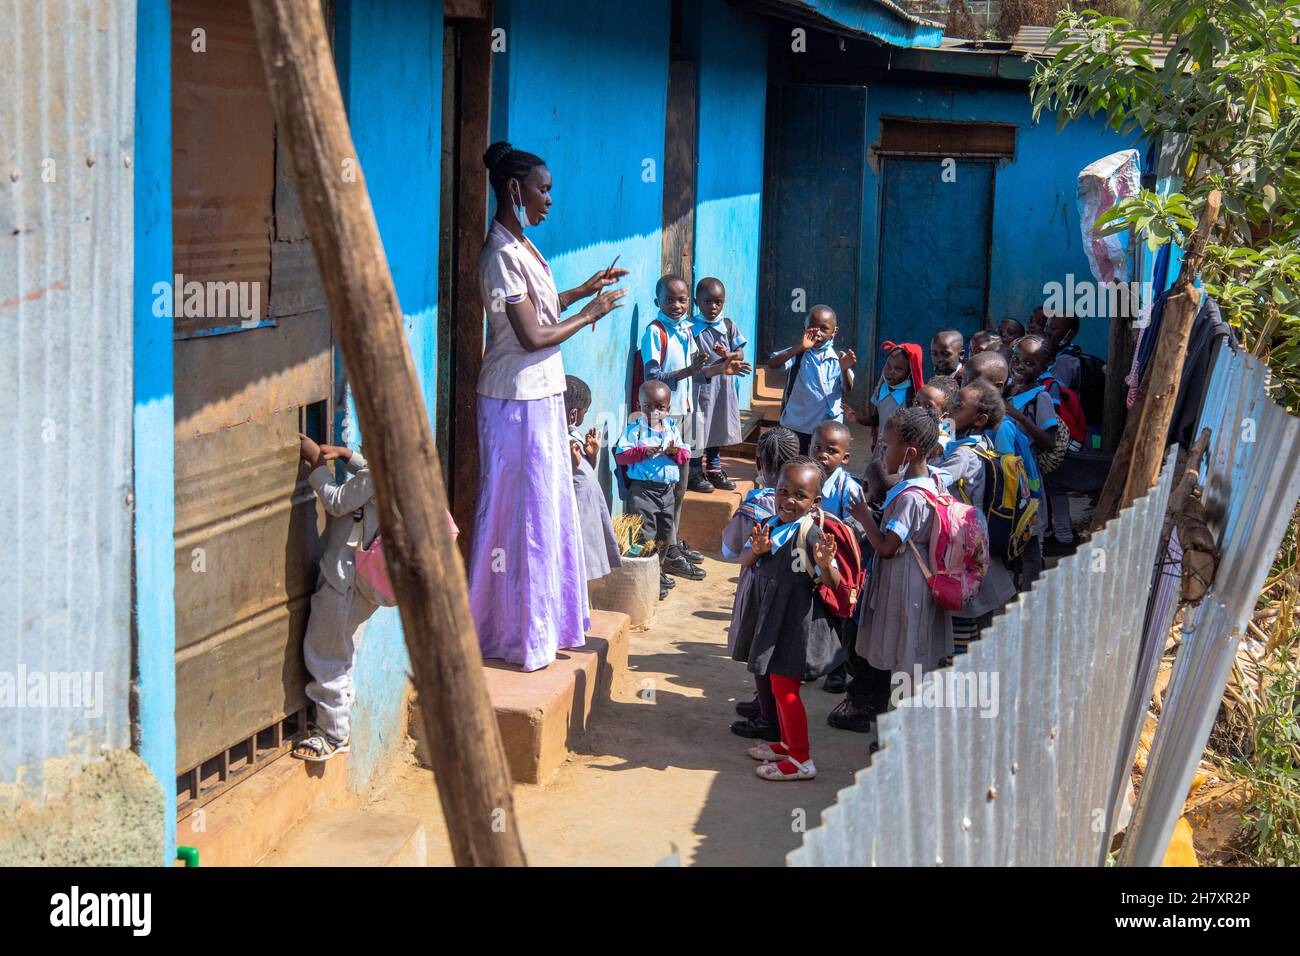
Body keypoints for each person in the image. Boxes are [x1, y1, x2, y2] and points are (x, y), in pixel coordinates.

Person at [470, 141, 626, 672]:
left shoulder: (523, 248)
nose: (550, 200)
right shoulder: (500, 255)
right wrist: (593, 314)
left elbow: (542, 310)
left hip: (537, 396)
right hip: (514, 400)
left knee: (542, 514)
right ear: (515, 190)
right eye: (544, 189)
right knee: (517, 520)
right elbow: (533, 335)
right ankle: (507, 634)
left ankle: (539, 628)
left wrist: (585, 290)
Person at [733, 458, 843, 781]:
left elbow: (833, 582)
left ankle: (800, 758)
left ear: (815, 502)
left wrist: (825, 563)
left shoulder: (811, 535)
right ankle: (785, 742)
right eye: (783, 491)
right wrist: (756, 550)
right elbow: (744, 560)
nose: (789, 501)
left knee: (786, 688)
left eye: (799, 495)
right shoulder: (772, 524)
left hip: (793, 621)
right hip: (771, 616)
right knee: (776, 683)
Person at [853, 407, 954, 716]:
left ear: (909, 452)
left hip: (905, 585)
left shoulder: (910, 498)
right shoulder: (934, 481)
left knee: (904, 655)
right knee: (911, 653)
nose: (881, 451)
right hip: (921, 578)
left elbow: (886, 546)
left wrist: (863, 515)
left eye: (886, 445)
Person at [293, 433, 381, 762]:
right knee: (338, 647)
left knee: (324, 651)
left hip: (345, 580)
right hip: (366, 584)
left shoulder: (381, 475)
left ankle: (332, 733)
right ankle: (337, 721)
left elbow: (337, 501)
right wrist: (347, 456)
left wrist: (316, 464)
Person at [726, 426, 801, 742]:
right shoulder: (804, 502)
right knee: (773, 650)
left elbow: (730, 548)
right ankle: (766, 704)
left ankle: (767, 717)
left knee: (758, 647)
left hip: (758, 585)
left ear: (758, 463)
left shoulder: (754, 506)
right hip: (790, 590)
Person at [938, 380, 1018, 651]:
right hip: (979, 542)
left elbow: (935, 481)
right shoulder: (982, 444)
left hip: (963, 547)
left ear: (980, 418)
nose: (950, 408)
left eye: (958, 406)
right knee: (976, 619)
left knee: (961, 617)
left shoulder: (963, 454)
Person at [641, 274, 708, 578]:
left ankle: (673, 543)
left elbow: (697, 371)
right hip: (666, 420)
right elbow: (653, 376)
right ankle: (667, 552)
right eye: (669, 299)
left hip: (687, 414)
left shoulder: (687, 330)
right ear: (658, 302)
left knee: (681, 487)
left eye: (682, 299)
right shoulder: (655, 332)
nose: (677, 305)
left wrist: (714, 366)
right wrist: (688, 371)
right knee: (668, 487)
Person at [827, 458, 898, 733]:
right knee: (879, 660)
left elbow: (845, 538)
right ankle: (877, 705)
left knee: (857, 655)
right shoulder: (894, 516)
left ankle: (856, 707)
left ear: (865, 486)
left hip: (860, 605)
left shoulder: (864, 518)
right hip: (885, 602)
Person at [615, 380, 693, 599]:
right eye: (648, 406)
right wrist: (642, 451)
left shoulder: (671, 430)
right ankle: (641, 579)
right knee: (642, 536)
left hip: (666, 492)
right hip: (643, 492)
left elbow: (685, 456)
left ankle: (656, 571)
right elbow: (621, 456)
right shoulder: (634, 431)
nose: (654, 412)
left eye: (660, 407)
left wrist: (674, 451)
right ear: (640, 406)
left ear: (668, 409)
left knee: (665, 535)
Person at [1005, 334, 1062, 589]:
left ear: (1045, 366)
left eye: (1029, 363)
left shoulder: (1042, 398)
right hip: (1006, 477)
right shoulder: (1007, 390)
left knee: (1030, 541)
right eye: (1016, 360)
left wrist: (1020, 417)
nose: (1019, 366)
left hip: (1027, 479)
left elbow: (1049, 440)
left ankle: (1030, 598)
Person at [690, 277, 751, 493]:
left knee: (717, 424)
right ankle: (695, 470)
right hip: (701, 387)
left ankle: (714, 468)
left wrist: (729, 354)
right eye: (707, 302)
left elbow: (740, 353)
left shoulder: (728, 325)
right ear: (697, 301)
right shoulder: (690, 327)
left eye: (718, 302)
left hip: (723, 387)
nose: (713, 307)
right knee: (699, 426)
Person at [767, 305, 856, 454]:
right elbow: (773, 363)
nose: (818, 333)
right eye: (812, 328)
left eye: (824, 328)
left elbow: (848, 388)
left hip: (826, 429)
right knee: (794, 464)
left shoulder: (839, 359)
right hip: (796, 425)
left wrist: (844, 369)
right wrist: (801, 347)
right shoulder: (799, 353)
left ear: (834, 331)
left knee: (820, 466)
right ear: (805, 327)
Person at [564, 375, 621, 584]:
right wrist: (572, 460)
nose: (584, 417)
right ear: (573, 414)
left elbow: (586, 469)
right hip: (576, 512)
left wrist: (592, 455)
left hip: (588, 507)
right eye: (584, 412)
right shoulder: (559, 440)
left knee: (587, 556)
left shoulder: (575, 435)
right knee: (577, 558)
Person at [856, 341, 922, 446]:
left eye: (898, 369)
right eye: (888, 366)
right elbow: (877, 419)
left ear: (910, 372)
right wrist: (856, 418)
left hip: (899, 451)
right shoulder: (882, 389)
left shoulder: (912, 398)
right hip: (881, 448)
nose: (891, 371)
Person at [914, 374, 959, 446]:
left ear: (944, 417)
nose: (918, 408)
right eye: (917, 403)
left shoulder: (940, 445)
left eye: (928, 406)